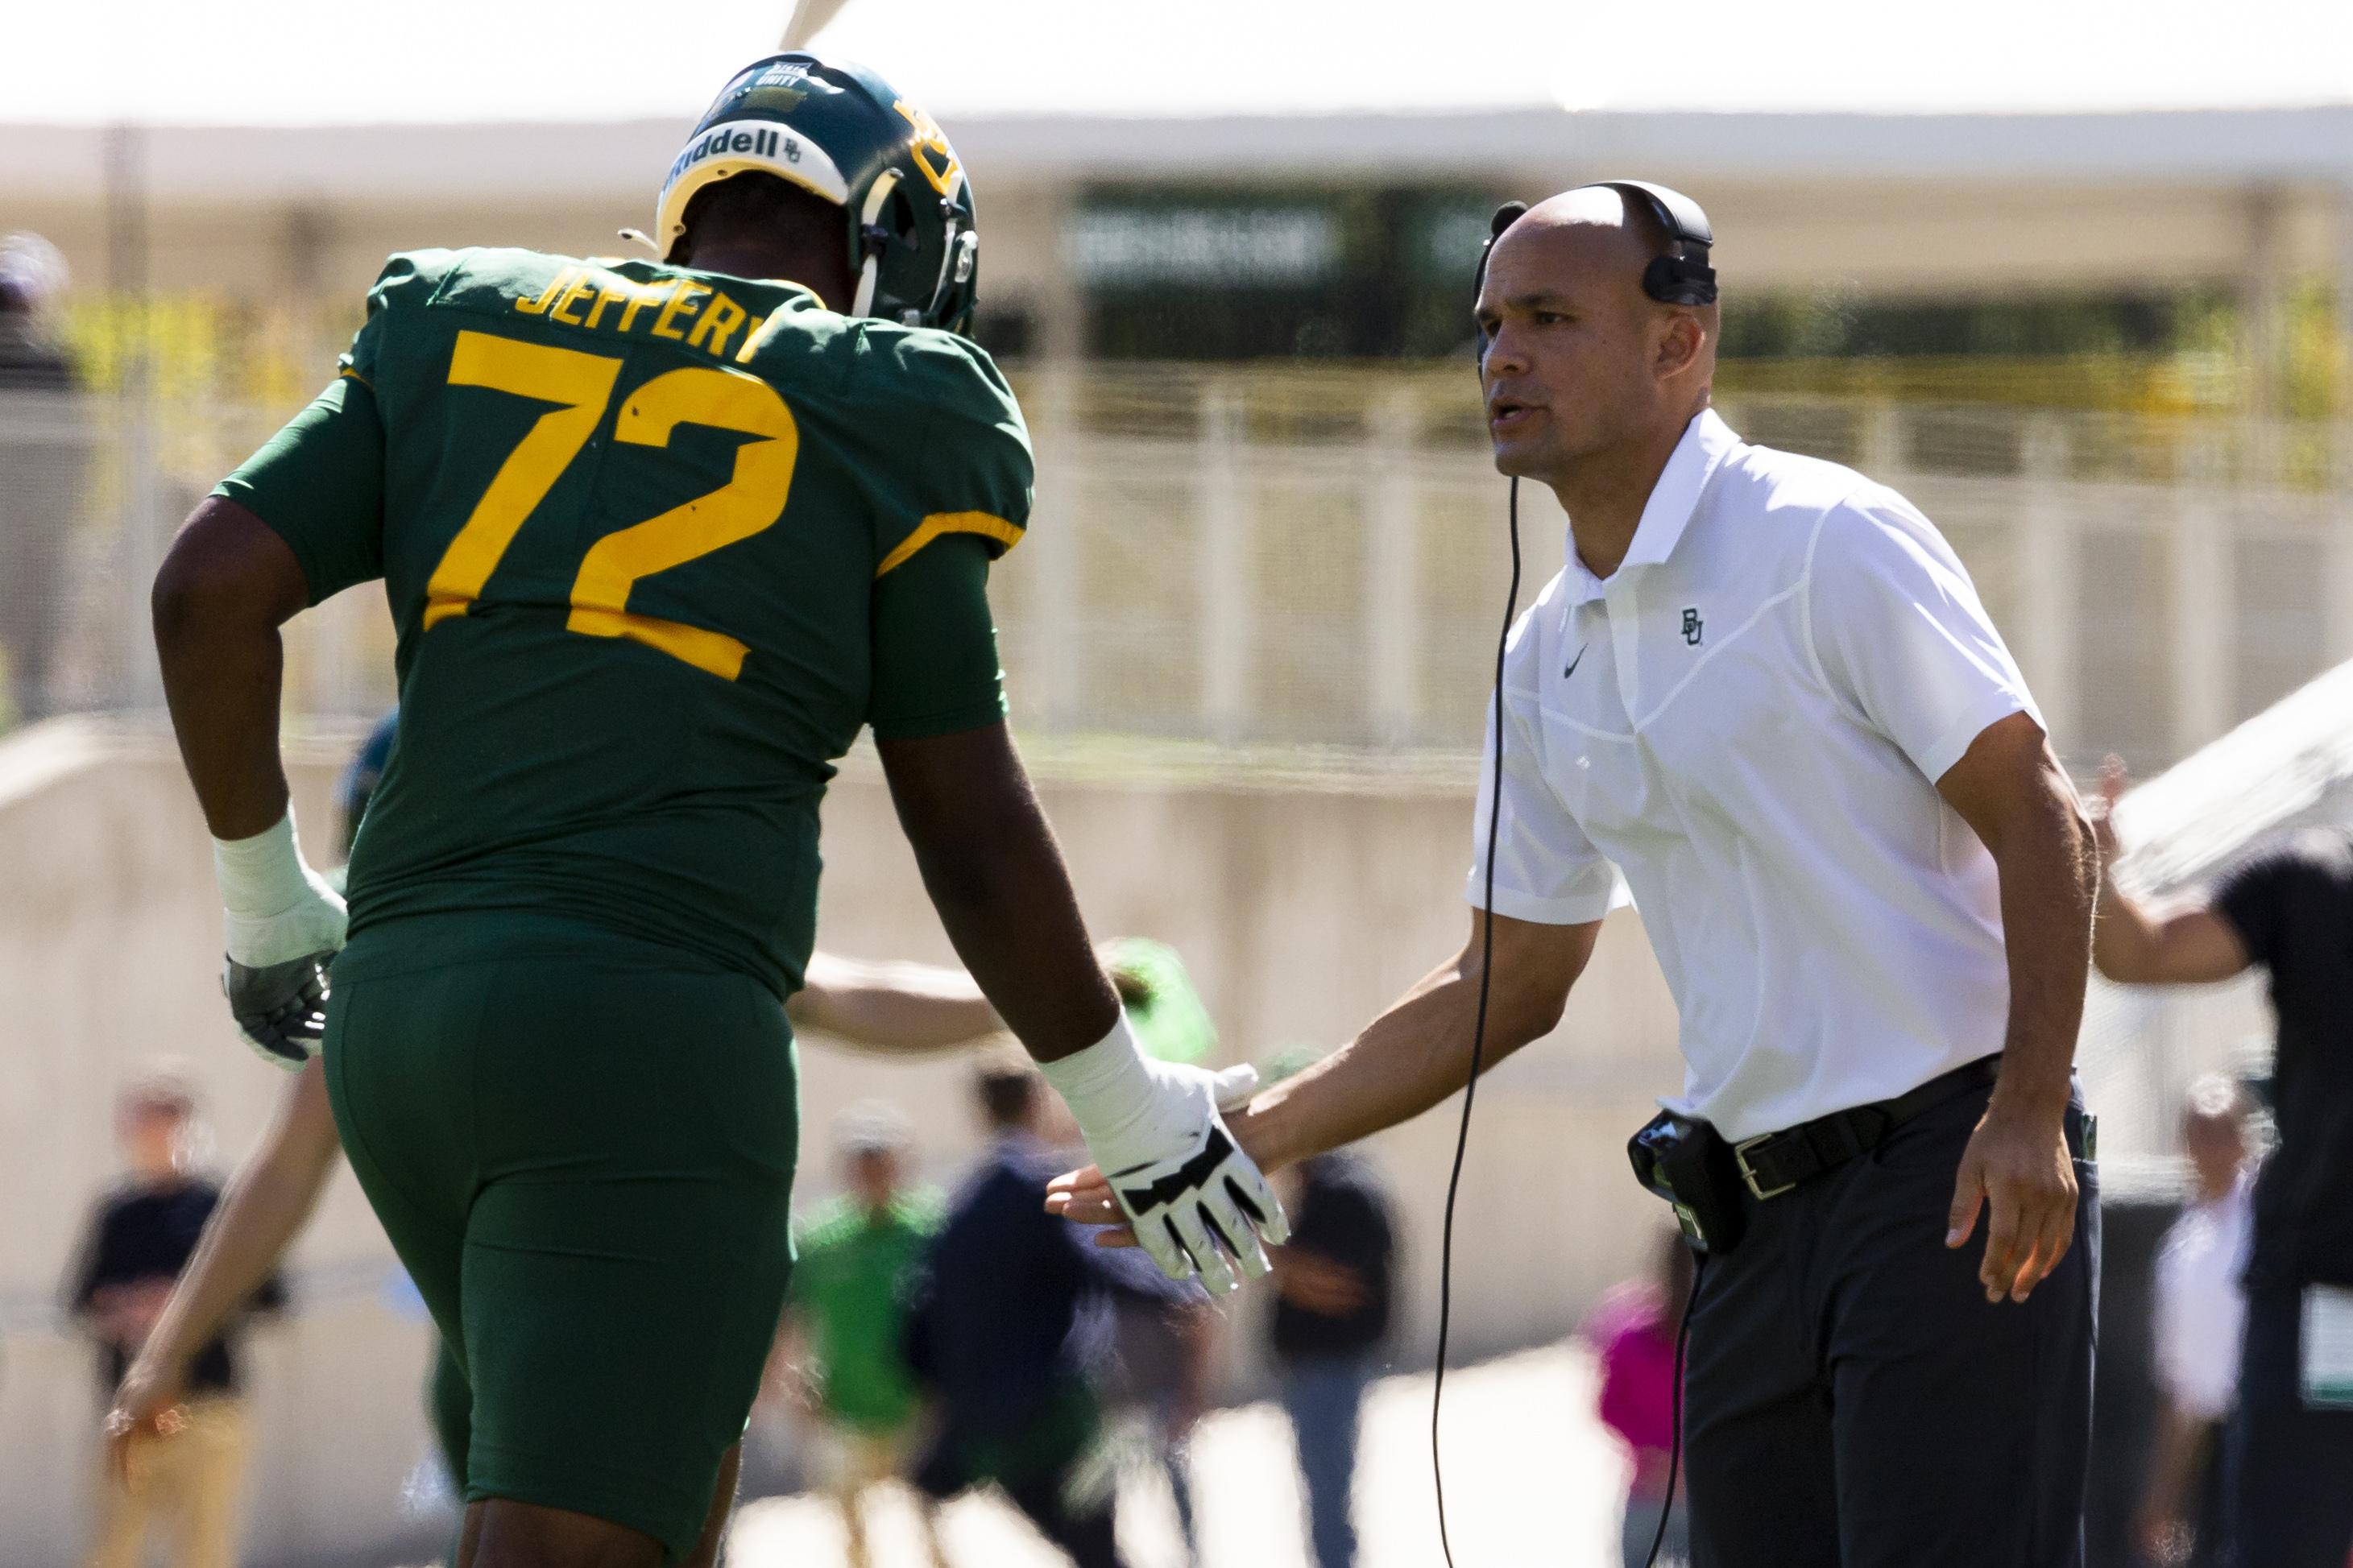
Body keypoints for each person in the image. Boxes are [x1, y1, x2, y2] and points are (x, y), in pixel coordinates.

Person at [147, 49, 1282, 1568]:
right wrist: (1131, 1102)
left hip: (400, 1026)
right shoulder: (892, 398)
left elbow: (208, 588)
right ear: (885, 236)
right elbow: (966, 814)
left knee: (658, 1512)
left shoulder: (461, 319)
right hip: (645, 1035)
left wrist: (269, 902)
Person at [1054, 182, 2102, 1568]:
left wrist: (2030, 1109)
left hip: (1950, 1174)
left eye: (1550, 318)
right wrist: (1248, 1142)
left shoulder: (1823, 539)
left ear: (1684, 341)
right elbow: (1507, 978)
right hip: (1745, 1224)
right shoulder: (1540, 651)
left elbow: (2045, 820)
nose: (1502, 355)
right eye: (1490, 324)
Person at [2089, 760, 2353, 1568]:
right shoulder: (2308, 882)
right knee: (2283, 1546)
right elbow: (2139, 953)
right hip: (2320, 1296)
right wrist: (2092, 865)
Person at [903, 1053, 1204, 1568]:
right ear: (1035, 1103)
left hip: (991, 1431)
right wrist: (1184, 1288)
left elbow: (918, 1326)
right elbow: (1123, 1270)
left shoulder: (958, 1208)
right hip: (1059, 1418)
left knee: (1080, 1547)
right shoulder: (1049, 1191)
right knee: (1098, 1551)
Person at [66, 1065, 284, 1568]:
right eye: (139, 1127)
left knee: (203, 1551)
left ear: (188, 1128)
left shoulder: (222, 1206)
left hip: (207, 1405)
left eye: (161, 1125)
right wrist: (127, 1307)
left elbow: (270, 1298)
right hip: (130, 1407)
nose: (149, 1139)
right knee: (111, 1548)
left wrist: (184, 1304)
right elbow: (80, 1303)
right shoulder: (115, 1212)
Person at [774, 1102, 949, 1568]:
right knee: (851, 1533)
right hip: (842, 1409)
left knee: (934, 1529)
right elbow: (793, 1316)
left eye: (881, 1157)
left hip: (918, 1407)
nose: (872, 1170)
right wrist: (792, 1386)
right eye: (862, 1159)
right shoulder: (820, 1238)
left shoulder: (934, 1231)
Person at [2137, 1077, 2255, 1568]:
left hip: (2273, 1425)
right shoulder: (2180, 1249)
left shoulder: (2272, 1217)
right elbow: (2183, 1385)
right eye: (2198, 1131)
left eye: (2222, 1128)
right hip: (2215, 1439)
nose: (2210, 1143)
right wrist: (2164, 1491)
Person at [1266, 1136, 1396, 1568]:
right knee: (1322, 1487)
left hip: (1331, 1365)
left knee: (1328, 1490)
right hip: (1315, 1367)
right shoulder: (1322, 1191)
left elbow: (1344, 1288)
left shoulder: (1343, 1194)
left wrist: (1271, 1258)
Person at [0, 231, 80, 727]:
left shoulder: (55, 367)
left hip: (37, 534)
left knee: (36, 648)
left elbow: (76, 452)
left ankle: (33, 724)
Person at [1584, 1231, 1695, 1568]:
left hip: (1663, 1493)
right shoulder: (1634, 1336)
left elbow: (1609, 1408)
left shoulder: (1630, 1334)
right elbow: (1611, 1408)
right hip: (1665, 1494)